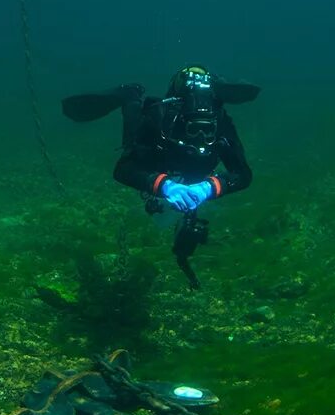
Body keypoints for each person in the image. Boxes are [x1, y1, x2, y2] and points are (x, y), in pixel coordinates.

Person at [62, 66, 259, 285]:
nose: (201, 138)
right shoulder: (161, 118)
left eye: (206, 131)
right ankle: (130, 95)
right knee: (131, 140)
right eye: (194, 130)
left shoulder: (221, 123)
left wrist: (207, 188)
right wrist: (165, 186)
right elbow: (124, 169)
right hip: (160, 158)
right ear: (183, 124)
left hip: (194, 173)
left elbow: (243, 174)